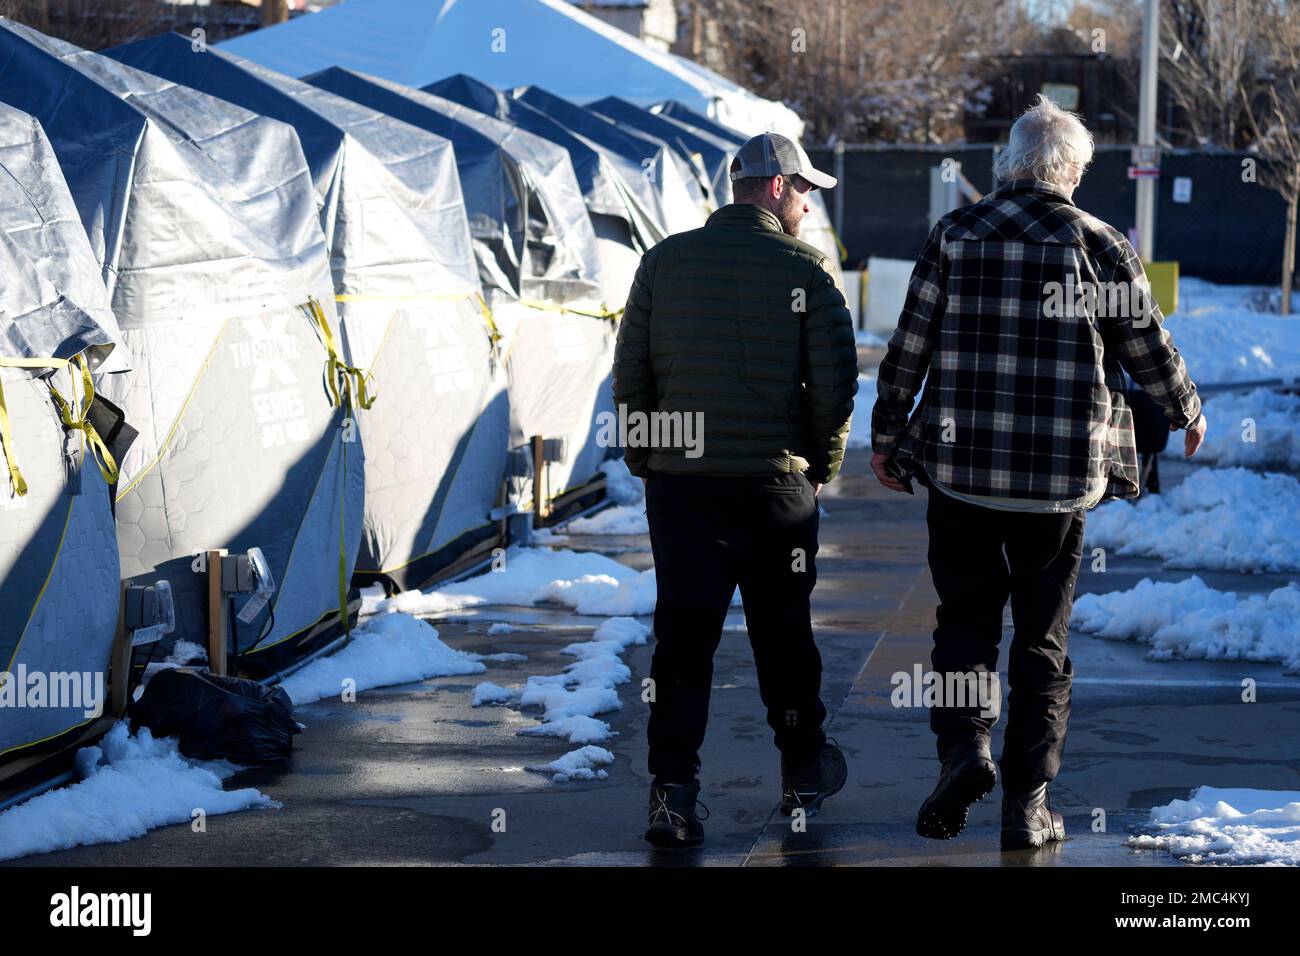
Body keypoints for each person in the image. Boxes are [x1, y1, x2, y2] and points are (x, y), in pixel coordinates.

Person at [870, 95, 1207, 850]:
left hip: (961, 474)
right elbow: (1146, 344)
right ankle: (1028, 804)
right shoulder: (1097, 242)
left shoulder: (955, 232)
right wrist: (1185, 409)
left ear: (1008, 164)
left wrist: (888, 434)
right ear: (1074, 170)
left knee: (963, 623)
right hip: (1059, 481)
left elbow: (910, 343)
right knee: (1043, 642)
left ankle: (964, 751)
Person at [612, 132, 858, 848]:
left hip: (683, 493)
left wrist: (649, 458)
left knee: (682, 645)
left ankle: (673, 794)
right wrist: (818, 463)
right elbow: (835, 387)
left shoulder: (663, 263)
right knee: (783, 638)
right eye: (805, 190)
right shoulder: (805, 269)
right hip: (772, 490)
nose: (809, 206)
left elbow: (631, 378)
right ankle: (804, 770)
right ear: (777, 187)